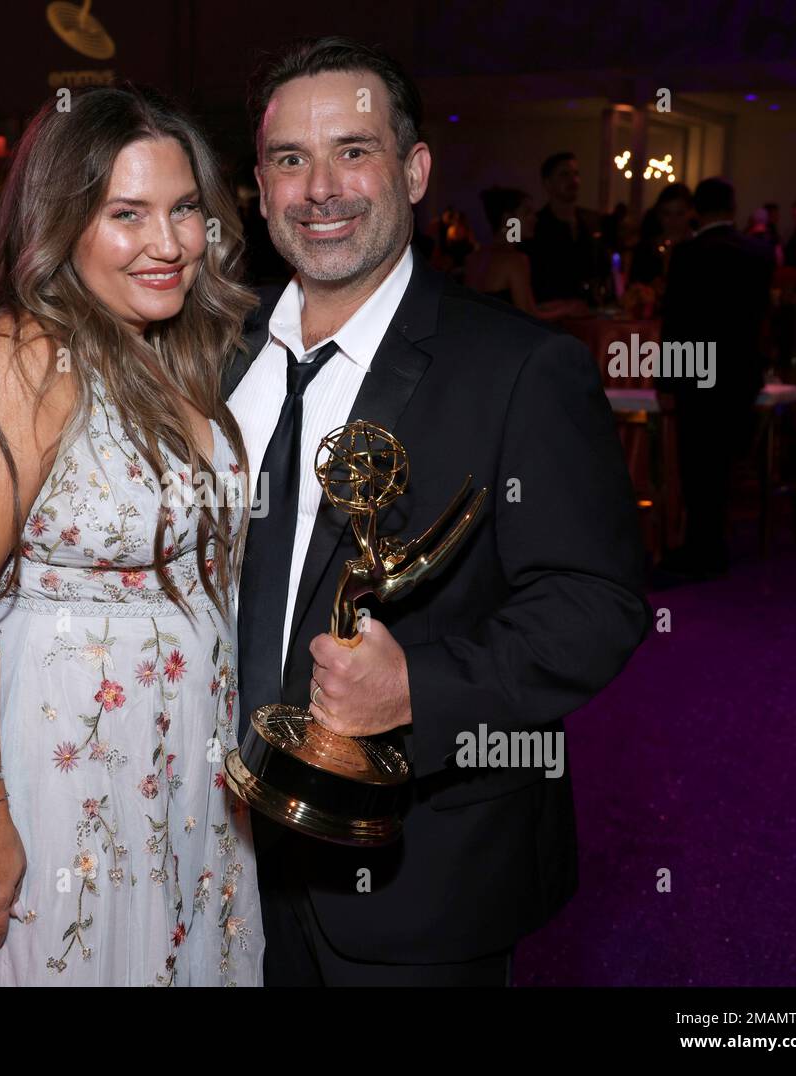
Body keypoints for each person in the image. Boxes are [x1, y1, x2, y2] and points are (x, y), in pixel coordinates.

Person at [227, 36, 649, 987]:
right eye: (290, 159)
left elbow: (595, 603)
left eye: (354, 151)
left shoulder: (519, 368)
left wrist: (419, 689)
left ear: (414, 171)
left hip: (419, 874)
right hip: (223, 859)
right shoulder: (217, 348)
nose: (320, 189)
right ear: (259, 188)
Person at [0, 85, 264, 986]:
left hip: (184, 756)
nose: (169, 243)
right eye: (126, 214)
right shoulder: (20, 353)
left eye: (185, 209)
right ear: (61, 222)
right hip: (66, 760)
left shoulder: (172, 347)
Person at [658, 177, 775, 578]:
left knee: (698, 465)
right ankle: (712, 545)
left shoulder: (689, 254)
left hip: (698, 371)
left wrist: (667, 381)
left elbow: (676, 323)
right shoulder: (759, 253)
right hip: (741, 373)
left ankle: (701, 548)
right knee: (722, 463)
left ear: (696, 210)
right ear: (732, 207)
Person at [526, 150, 606, 302]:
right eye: (564, 174)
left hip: (589, 308)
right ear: (547, 183)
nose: (573, 180)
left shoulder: (592, 220)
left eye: (576, 174)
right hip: (548, 310)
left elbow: (602, 265)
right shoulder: (533, 224)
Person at [464, 186, 539, 311]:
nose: (535, 218)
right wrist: (566, 309)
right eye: (527, 212)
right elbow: (527, 314)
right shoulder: (515, 260)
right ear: (508, 219)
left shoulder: (473, 258)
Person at [629, 182, 693, 292]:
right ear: (659, 215)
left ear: (691, 213)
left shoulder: (700, 250)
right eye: (667, 214)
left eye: (680, 214)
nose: (673, 221)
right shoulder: (646, 250)